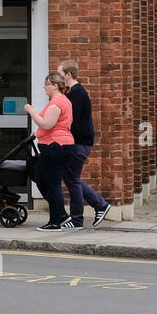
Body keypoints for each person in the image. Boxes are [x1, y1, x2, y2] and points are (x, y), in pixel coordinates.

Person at [57, 60, 111, 228]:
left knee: (72, 179)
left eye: (59, 75)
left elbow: (72, 122)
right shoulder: (74, 92)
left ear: (68, 75)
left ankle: (78, 219)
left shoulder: (77, 93)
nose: (58, 78)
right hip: (78, 142)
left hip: (78, 143)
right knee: (71, 178)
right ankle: (99, 205)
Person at [25, 71, 75, 231]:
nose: (44, 88)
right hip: (57, 144)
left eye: (47, 85)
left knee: (52, 183)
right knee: (40, 177)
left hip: (55, 146)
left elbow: (47, 124)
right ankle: (60, 214)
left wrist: (31, 110)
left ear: (55, 85)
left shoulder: (57, 102)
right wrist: (38, 133)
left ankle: (55, 222)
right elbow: (53, 125)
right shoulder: (61, 101)